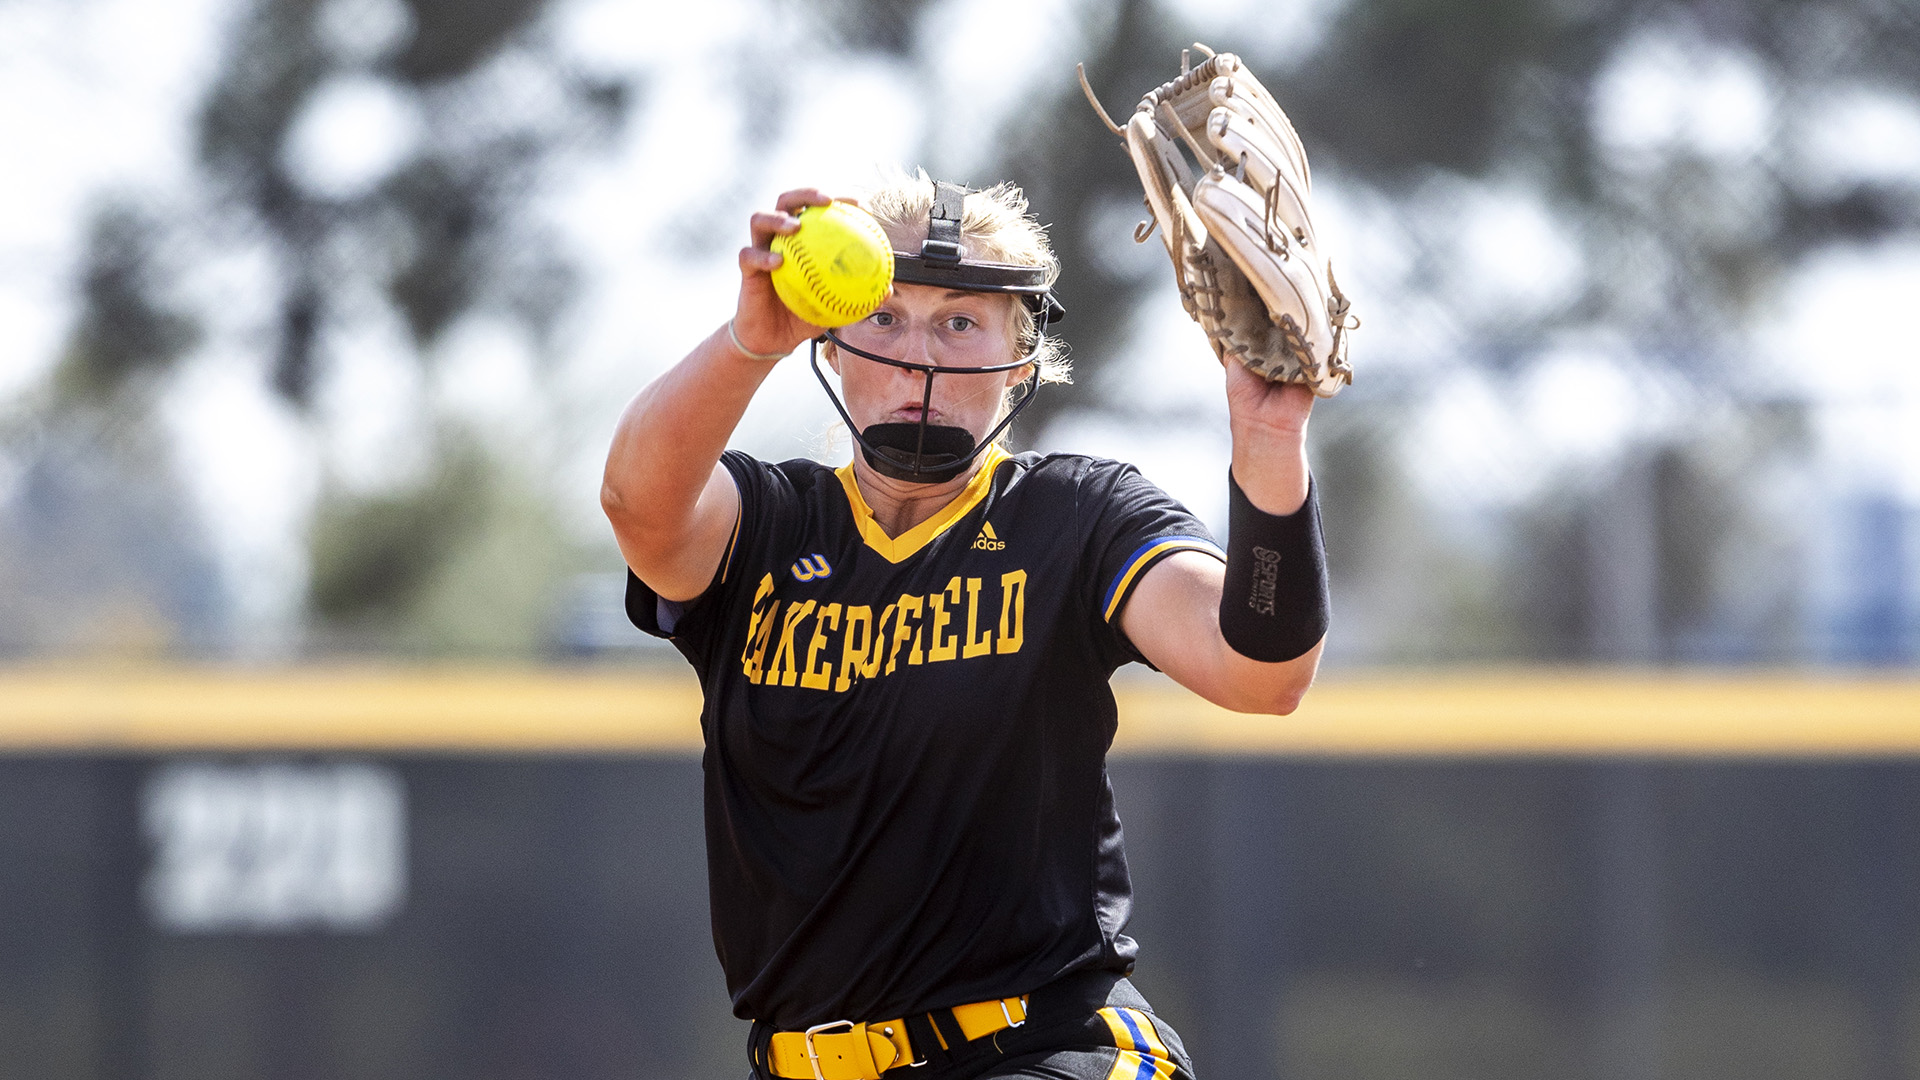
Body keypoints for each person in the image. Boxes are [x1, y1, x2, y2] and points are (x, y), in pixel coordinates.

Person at [601, 171, 1329, 1080]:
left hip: (1045, 1047)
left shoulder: (1074, 515)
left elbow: (1260, 671)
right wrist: (751, 342)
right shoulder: (771, 524)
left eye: (960, 322)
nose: (922, 357)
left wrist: (1268, 449)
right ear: (831, 348)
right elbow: (639, 505)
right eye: (885, 316)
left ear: (1019, 364)